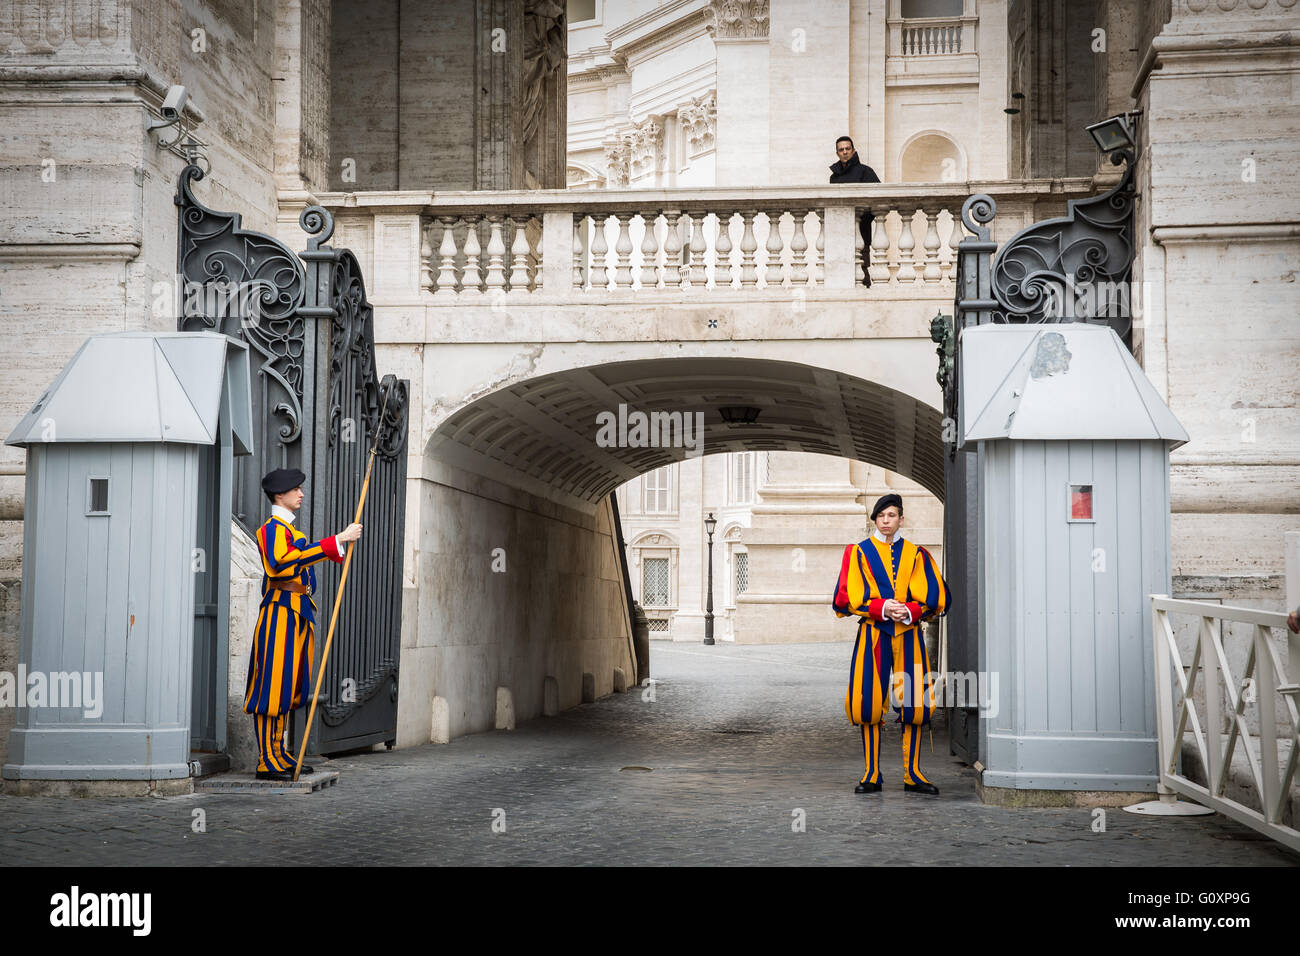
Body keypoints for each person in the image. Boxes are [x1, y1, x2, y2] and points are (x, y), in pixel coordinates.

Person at [245, 467, 362, 780]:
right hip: (279, 613)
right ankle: (266, 760)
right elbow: (282, 566)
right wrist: (335, 540)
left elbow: (304, 561)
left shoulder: (293, 533)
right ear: (280, 495)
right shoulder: (271, 530)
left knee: (287, 687)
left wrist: (336, 546)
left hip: (298, 613)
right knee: (270, 688)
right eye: (296, 489)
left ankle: (279, 753)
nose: (301, 494)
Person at [832, 493, 949, 795]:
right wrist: (883, 608)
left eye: (892, 515)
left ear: (901, 518)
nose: (886, 521)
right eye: (881, 516)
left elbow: (934, 596)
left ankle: (914, 773)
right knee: (868, 702)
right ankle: (872, 773)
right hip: (873, 634)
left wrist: (911, 609)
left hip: (909, 634)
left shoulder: (917, 554)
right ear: (874, 519)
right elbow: (847, 598)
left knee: (914, 702)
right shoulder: (858, 553)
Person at [828, 135, 881, 287]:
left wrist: (862, 219)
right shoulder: (834, 177)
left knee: (862, 272)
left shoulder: (866, 172)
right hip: (839, 233)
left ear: (853, 150)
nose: (844, 152)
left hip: (861, 232)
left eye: (847, 148)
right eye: (841, 149)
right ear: (837, 153)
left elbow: (878, 200)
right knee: (839, 272)